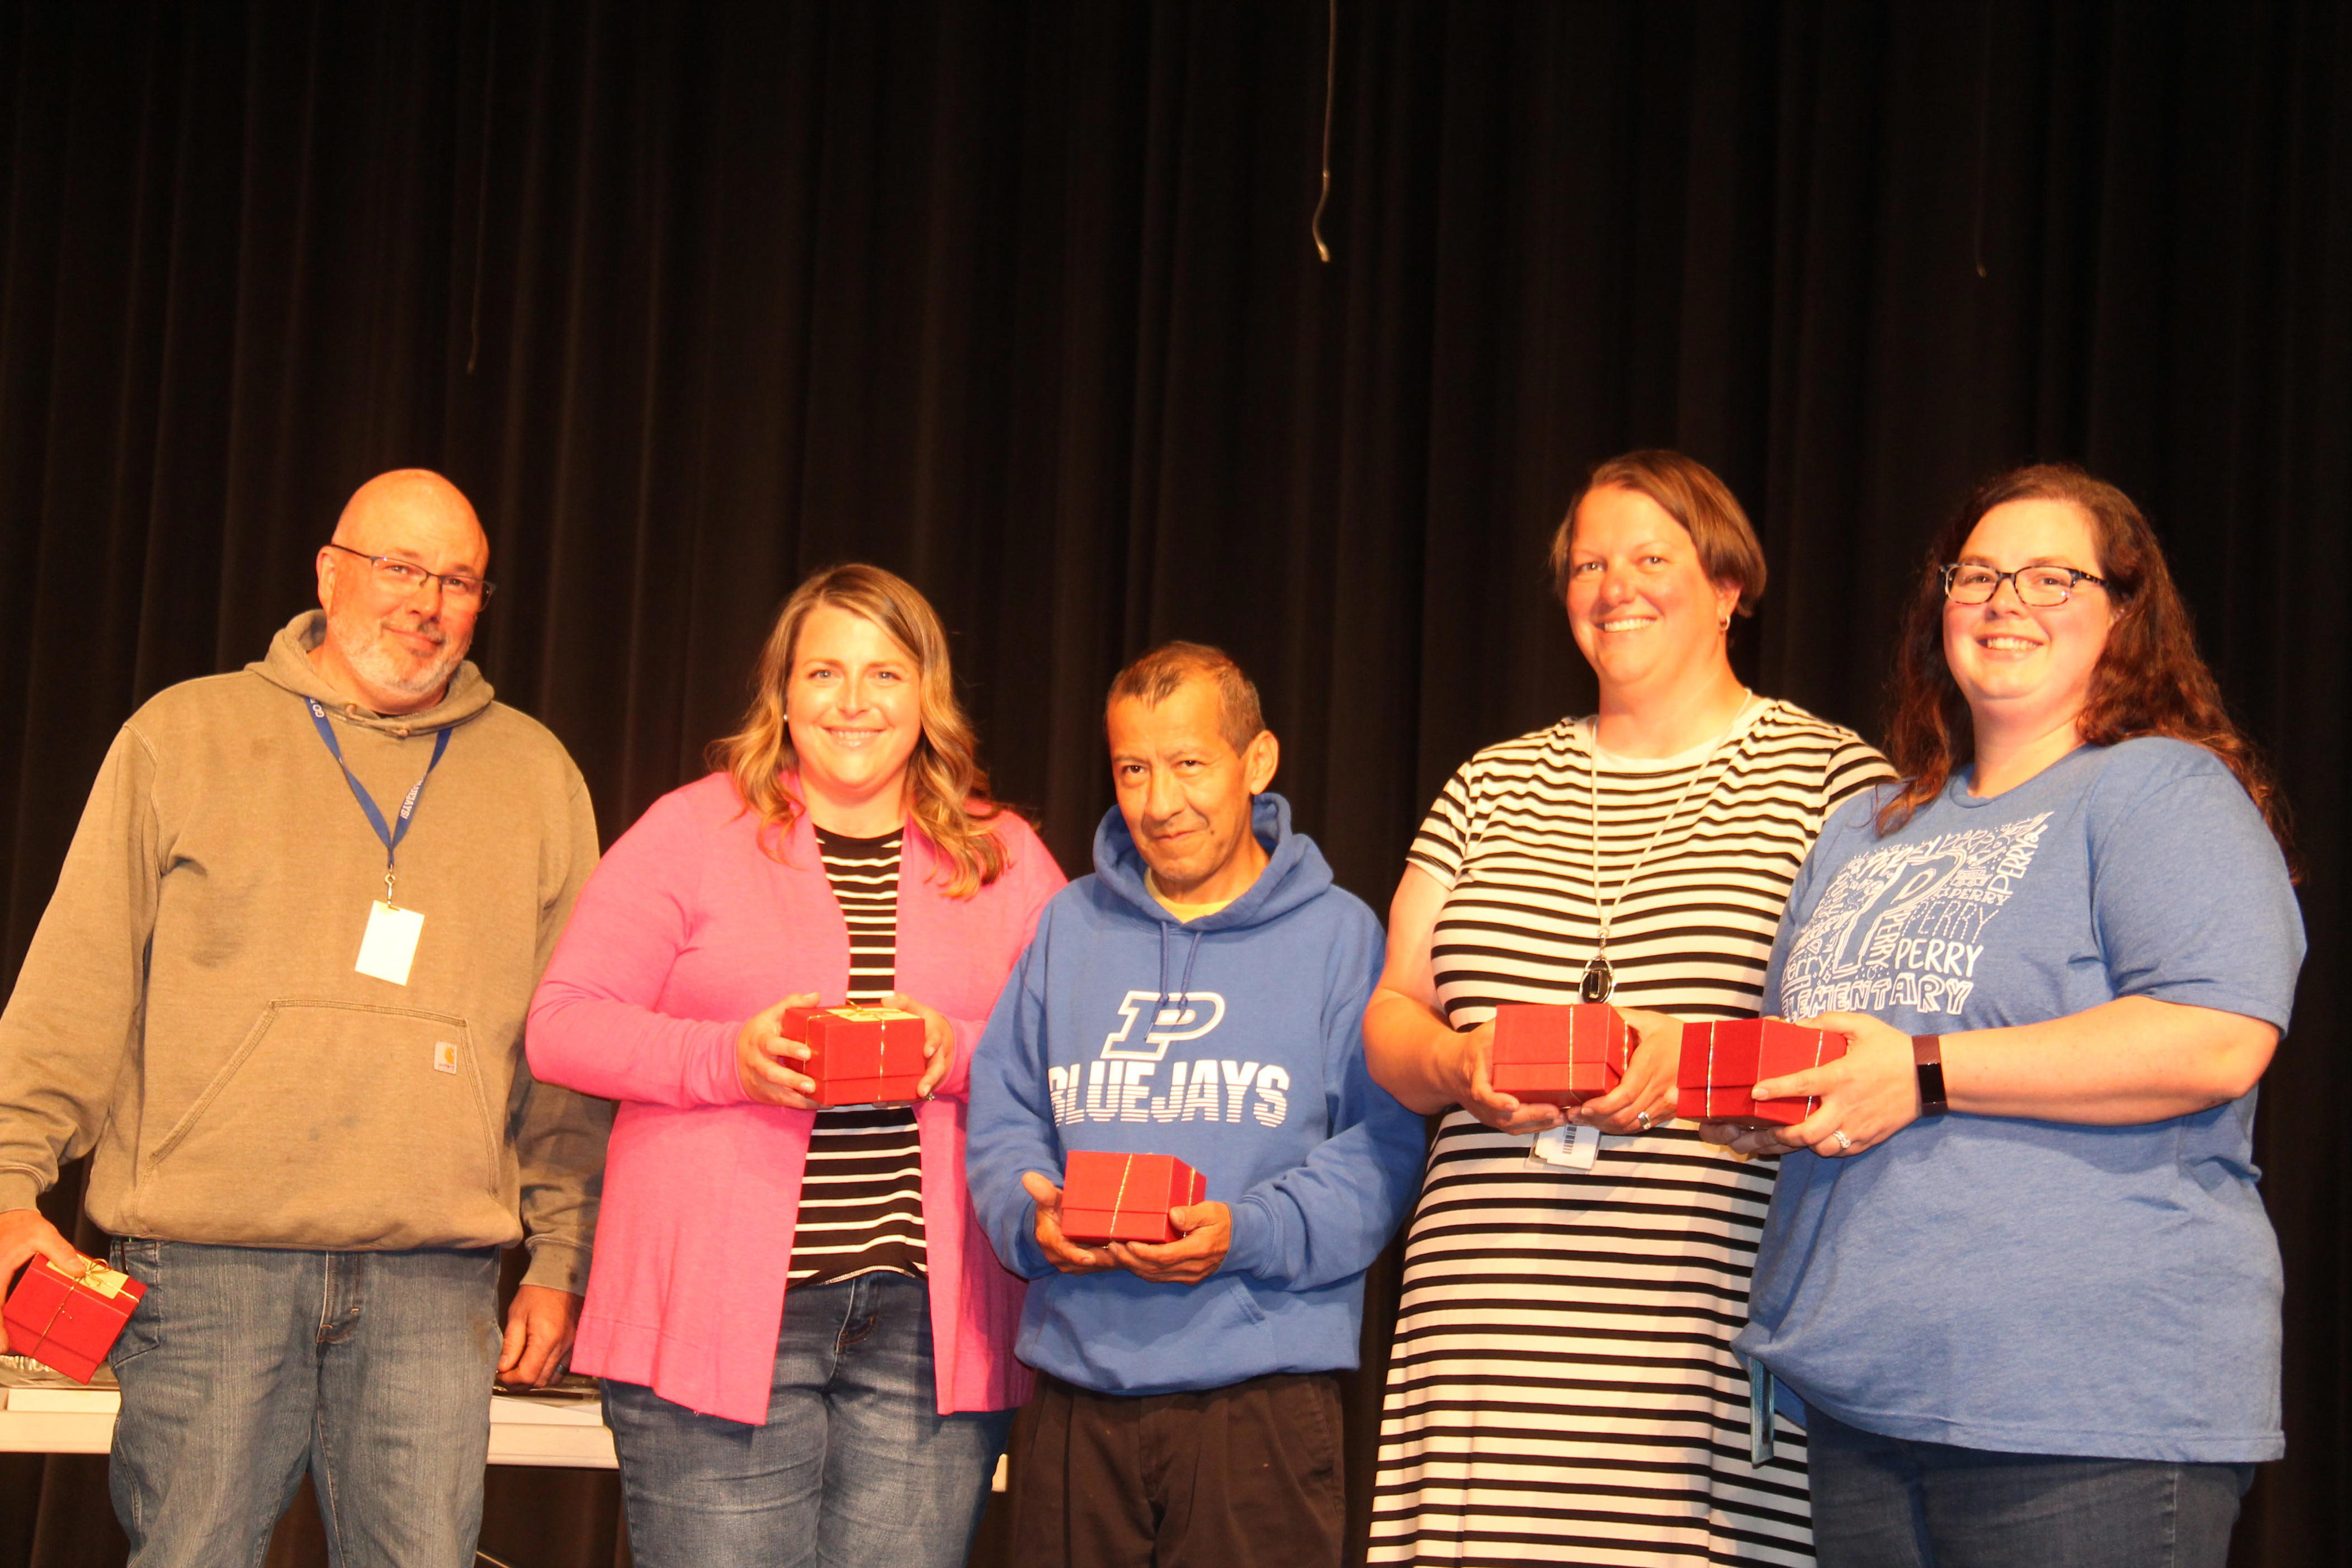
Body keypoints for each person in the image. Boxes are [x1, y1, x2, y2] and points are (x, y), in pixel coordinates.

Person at [0, 470, 608, 1567]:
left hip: (436, 1286)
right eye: (400, 567)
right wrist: (5, 1191)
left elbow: (566, 1052)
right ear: (329, 575)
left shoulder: (538, 776)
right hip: (206, 1271)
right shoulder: (181, 735)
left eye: (458, 580)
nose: (426, 601)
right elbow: (70, 997)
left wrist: (563, 1253)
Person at [1719, 465, 2304, 1568]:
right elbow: (1808, 1052)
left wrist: (1923, 1070)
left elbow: (2216, 1036)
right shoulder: (1863, 828)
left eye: (2051, 575)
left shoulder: (2162, 790)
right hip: (1862, 1401)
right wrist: (1752, 1101)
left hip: (2086, 1410)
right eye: (1977, 573)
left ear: (2126, 613)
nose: (2003, 600)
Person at [1362, 450, 1896, 1564]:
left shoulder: (1839, 785)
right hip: (1483, 1335)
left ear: (1729, 585)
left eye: (1652, 556)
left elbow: (1868, 1050)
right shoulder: (1491, 783)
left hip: (1693, 1330)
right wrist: (1461, 1064)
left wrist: (1695, 1059)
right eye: (1589, 563)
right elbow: (1393, 1015)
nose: (1615, 587)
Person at [526, 563, 1064, 1568]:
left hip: (925, 1332)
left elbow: (1071, 1053)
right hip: (718, 1317)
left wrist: (956, 1051)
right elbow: (561, 1026)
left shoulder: (1006, 857)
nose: (853, 703)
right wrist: (727, 1058)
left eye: (884, 675)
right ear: (782, 692)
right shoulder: (690, 833)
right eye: (824, 673)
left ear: (926, 696)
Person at [966, 642, 1425, 1568]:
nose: (1159, 802)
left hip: (1260, 1395)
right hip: (1073, 1389)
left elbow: (1378, 1153)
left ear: (1256, 763)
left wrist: (1245, 1233)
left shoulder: (1341, 936)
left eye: (1188, 765)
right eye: (1133, 769)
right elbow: (1004, 1108)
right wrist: (1029, 1217)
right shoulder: (1070, 923)